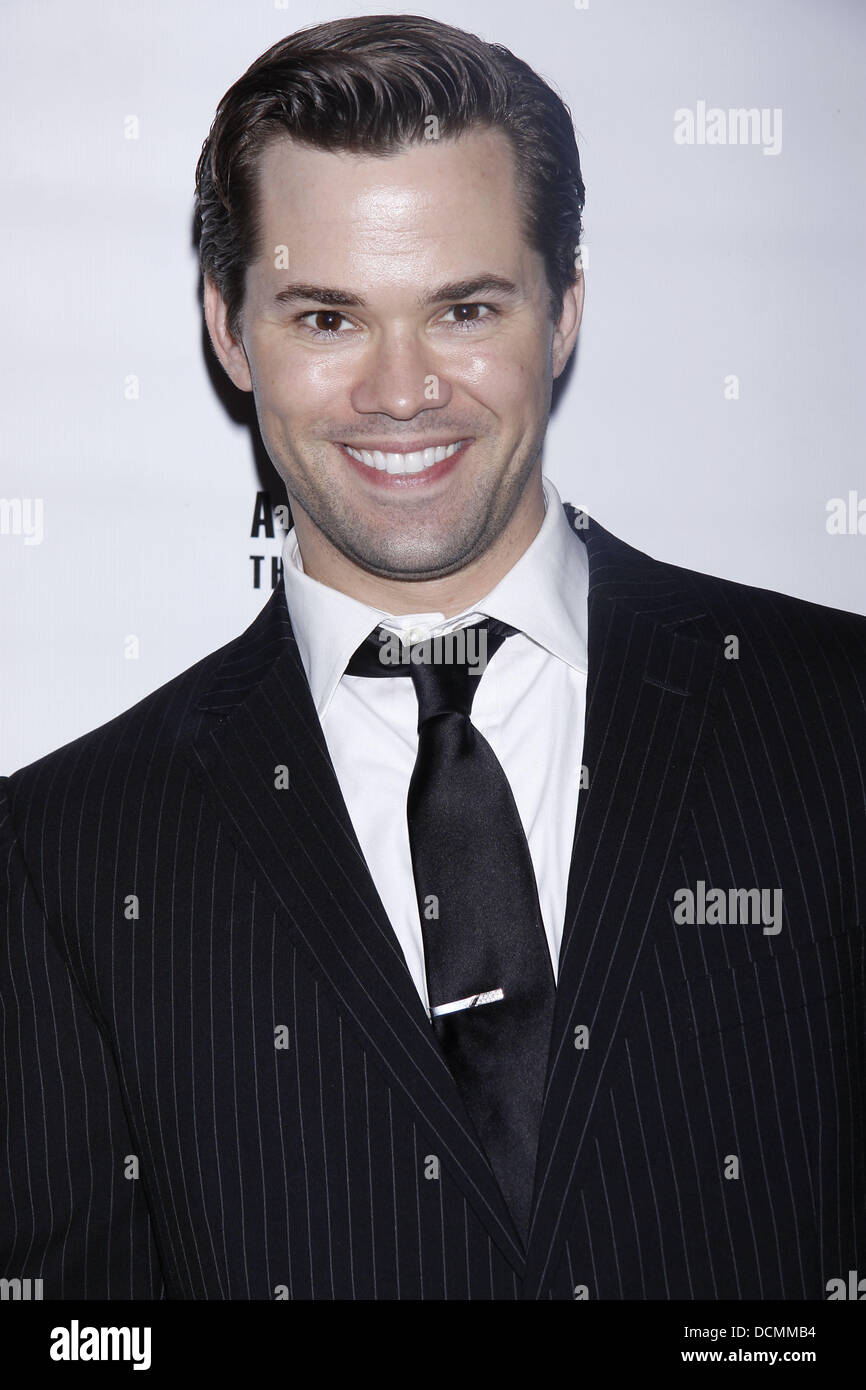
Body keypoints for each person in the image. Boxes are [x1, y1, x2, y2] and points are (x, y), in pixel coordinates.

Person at [1, 13, 864, 1302]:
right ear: (231, 334)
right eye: (329, 316)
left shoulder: (833, 720)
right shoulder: (66, 853)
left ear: (564, 310)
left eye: (464, 307)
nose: (402, 392)